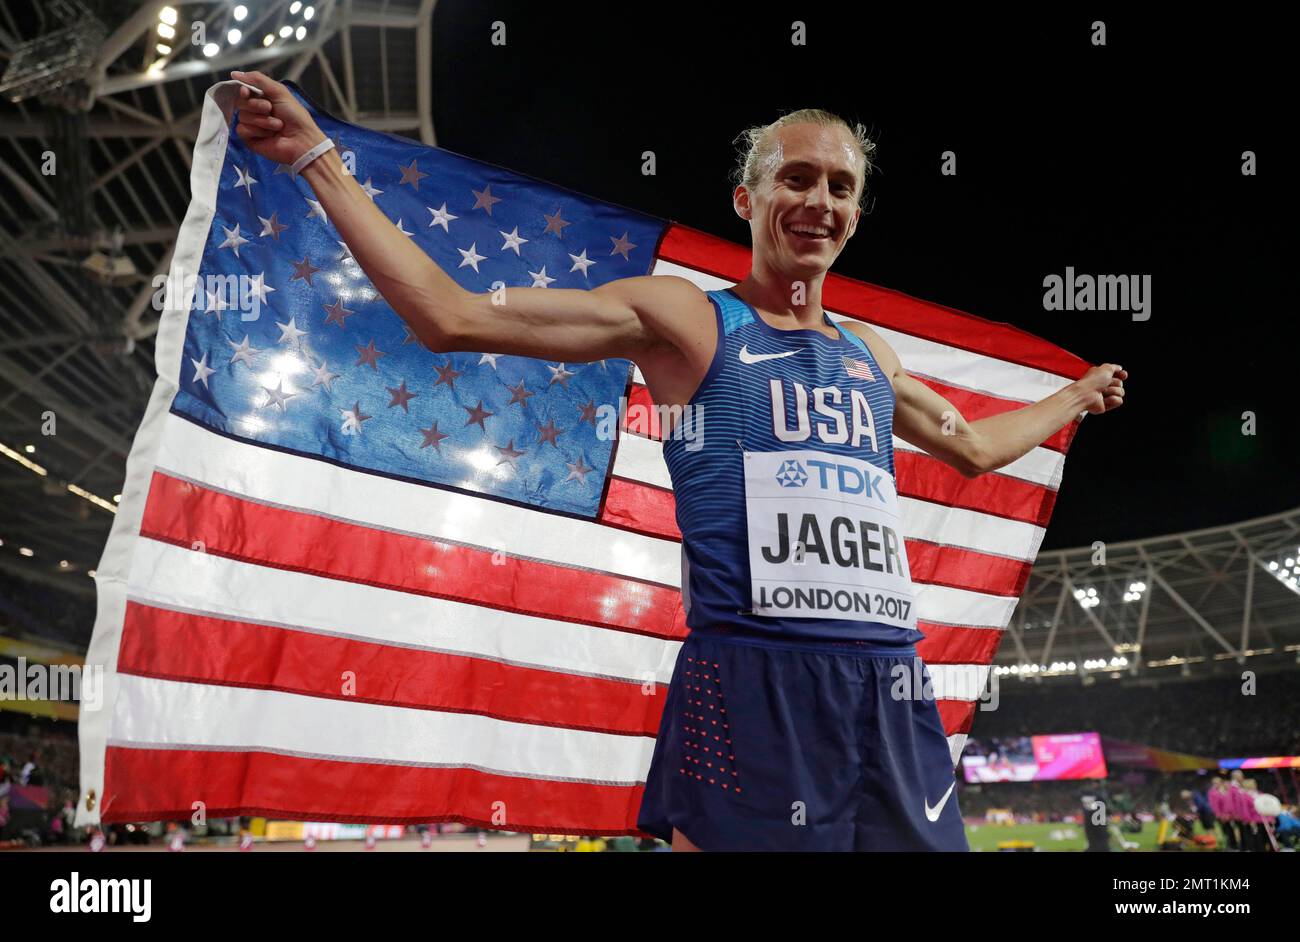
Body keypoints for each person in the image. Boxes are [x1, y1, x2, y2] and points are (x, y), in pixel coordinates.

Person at [229, 71, 1127, 851]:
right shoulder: (688, 319)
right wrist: (319, 161)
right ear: (748, 199)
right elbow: (452, 314)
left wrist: (1076, 397)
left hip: (890, 682)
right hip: (752, 682)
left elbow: (971, 449)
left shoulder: (868, 355)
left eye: (841, 187)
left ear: (856, 213)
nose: (820, 200)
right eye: (797, 177)